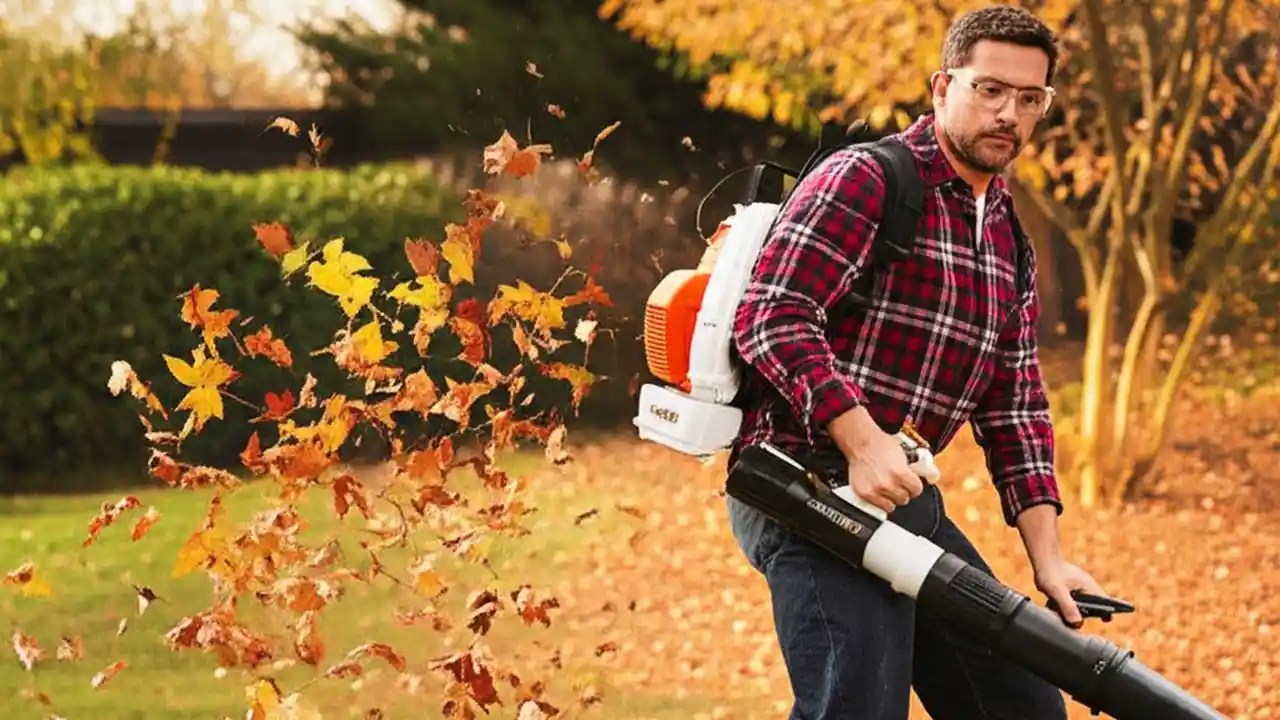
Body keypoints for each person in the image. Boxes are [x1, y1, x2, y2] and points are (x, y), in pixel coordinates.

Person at [726, 5, 1111, 720]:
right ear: (942, 88)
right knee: (858, 707)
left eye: (1030, 99)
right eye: (989, 90)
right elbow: (772, 314)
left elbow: (1014, 402)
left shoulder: (1006, 237)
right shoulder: (866, 179)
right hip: (802, 486)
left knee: (1022, 707)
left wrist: (1048, 557)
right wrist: (863, 441)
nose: (1010, 114)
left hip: (903, 502)